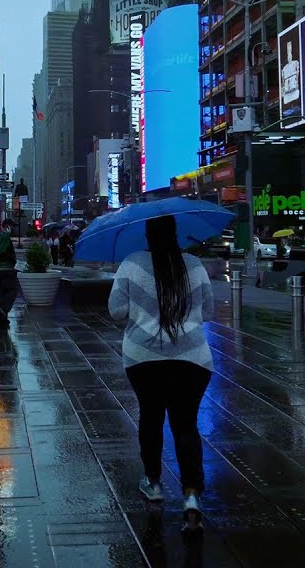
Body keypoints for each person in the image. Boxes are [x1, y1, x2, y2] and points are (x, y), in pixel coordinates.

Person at [108, 215, 214, 531]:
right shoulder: (194, 265)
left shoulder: (132, 264)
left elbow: (116, 311)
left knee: (151, 418)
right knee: (186, 425)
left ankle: (153, 484)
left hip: (143, 358)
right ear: (176, 234)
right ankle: (192, 495)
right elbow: (207, 311)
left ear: (147, 234)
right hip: (192, 359)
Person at [0, 218, 18, 327]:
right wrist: (11, 260)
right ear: (8, 226)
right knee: (11, 291)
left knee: (0, 294)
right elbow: (4, 252)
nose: (14, 229)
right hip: (7, 269)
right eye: (13, 226)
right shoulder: (5, 237)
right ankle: (3, 309)